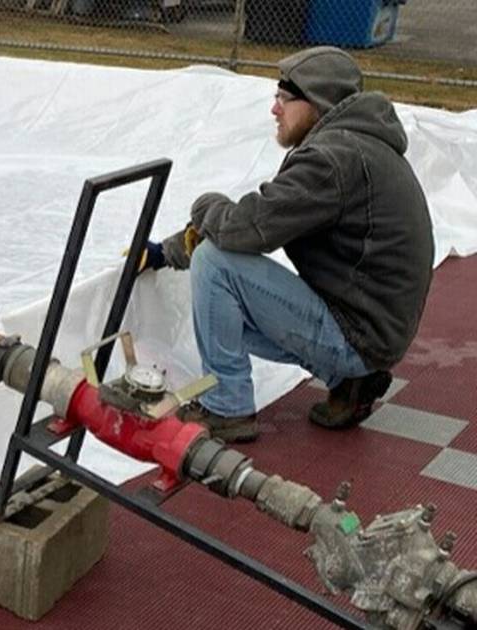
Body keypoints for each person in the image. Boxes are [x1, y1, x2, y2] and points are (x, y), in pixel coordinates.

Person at [139, 46, 434, 443]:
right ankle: (350, 380)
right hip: (373, 329)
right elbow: (265, 218)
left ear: (317, 101)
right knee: (221, 311)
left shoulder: (332, 159)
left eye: (284, 98)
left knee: (215, 263)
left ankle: (228, 409)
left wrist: (203, 203)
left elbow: (244, 230)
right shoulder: (352, 147)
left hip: (362, 333)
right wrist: (166, 252)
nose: (274, 109)